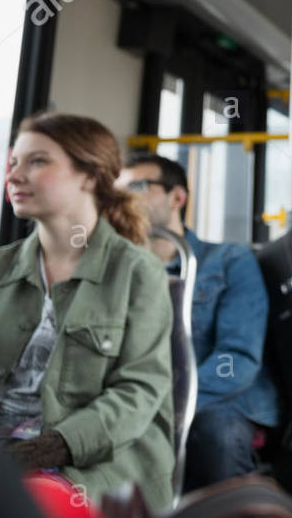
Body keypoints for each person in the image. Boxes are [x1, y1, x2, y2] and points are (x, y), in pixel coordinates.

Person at [0, 113, 173, 509]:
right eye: (13, 163)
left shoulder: (136, 272)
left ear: (90, 176)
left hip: (94, 461)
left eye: (37, 161)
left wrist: (49, 449)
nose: (15, 175)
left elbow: (139, 392)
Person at [118, 153, 276, 492]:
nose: (126, 195)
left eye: (140, 186)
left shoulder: (228, 261)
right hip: (138, 397)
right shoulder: (119, 271)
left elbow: (237, 358)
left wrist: (163, 402)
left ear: (178, 197)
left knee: (216, 435)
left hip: (216, 399)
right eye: (120, 188)